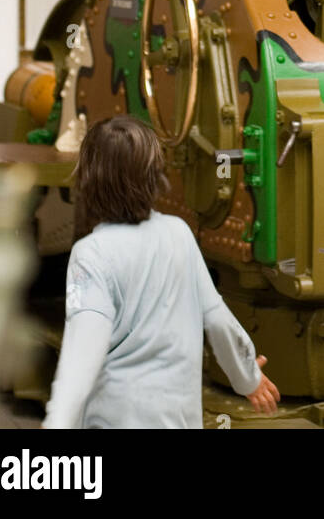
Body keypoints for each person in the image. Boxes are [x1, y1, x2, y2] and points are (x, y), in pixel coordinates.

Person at [42, 115, 280, 429]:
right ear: (154, 176)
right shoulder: (178, 233)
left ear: (89, 178)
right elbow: (219, 320)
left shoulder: (91, 253)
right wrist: (247, 376)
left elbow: (83, 354)